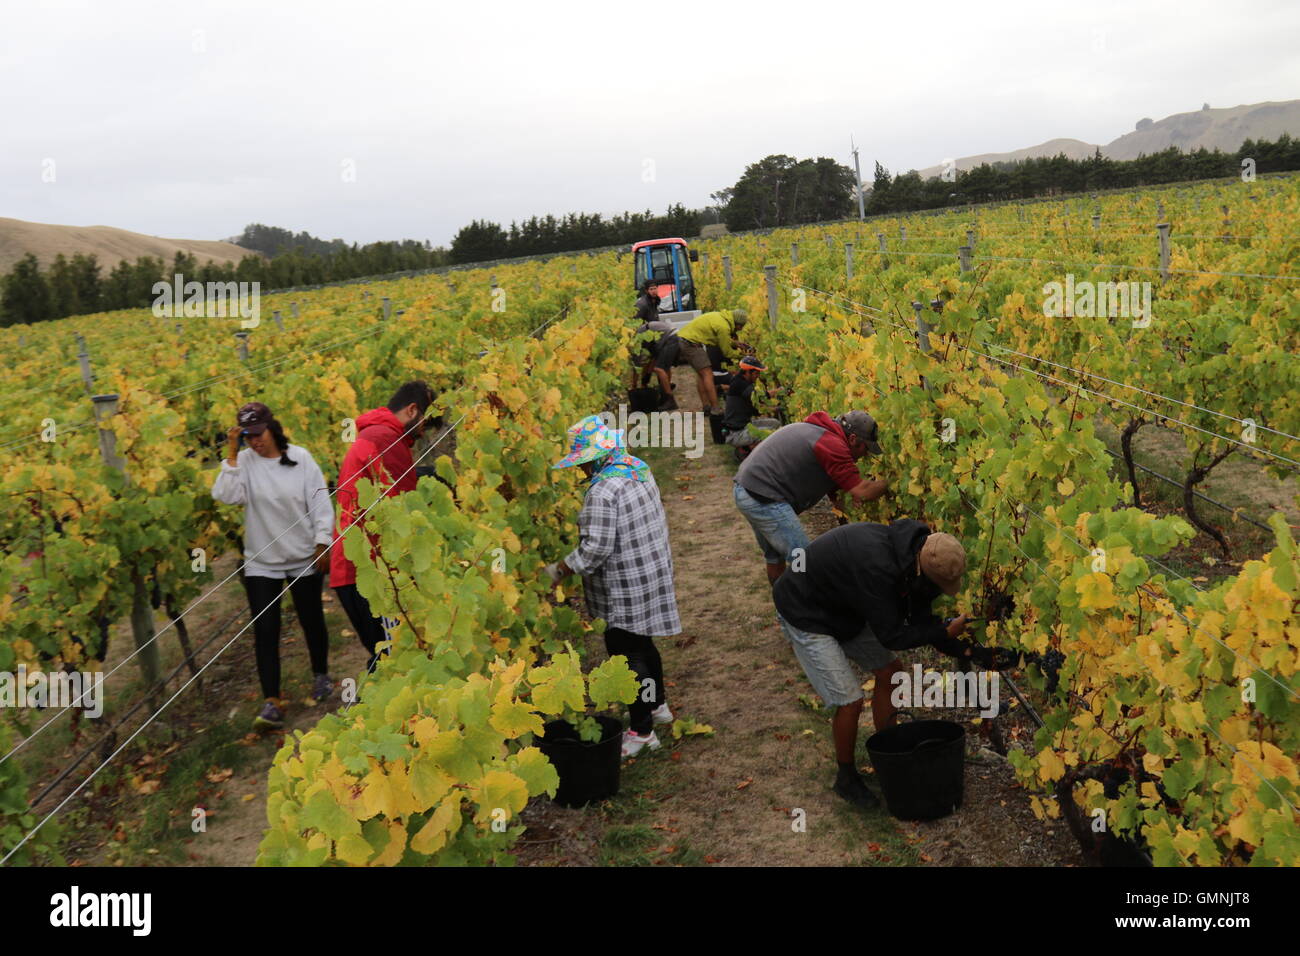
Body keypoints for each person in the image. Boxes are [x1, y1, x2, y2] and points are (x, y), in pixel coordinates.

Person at [772, 520, 969, 809]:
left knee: (891, 672)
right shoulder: (877, 567)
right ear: (923, 570)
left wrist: (962, 645)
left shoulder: (915, 552)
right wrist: (942, 632)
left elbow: (919, 618)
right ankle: (846, 777)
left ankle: (888, 750)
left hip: (845, 607)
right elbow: (892, 635)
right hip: (805, 610)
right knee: (850, 700)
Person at [545, 415, 681, 759]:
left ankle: (641, 732)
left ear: (593, 458)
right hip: (650, 568)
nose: (581, 471)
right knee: (644, 642)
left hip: (624, 582)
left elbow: (594, 551)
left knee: (626, 654)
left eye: (583, 463)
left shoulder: (603, 491)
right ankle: (657, 706)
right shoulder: (636, 467)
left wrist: (559, 569)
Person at [211, 402, 335, 731]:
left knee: (311, 619)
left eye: (259, 434)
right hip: (261, 560)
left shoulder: (302, 459)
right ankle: (272, 702)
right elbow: (225, 495)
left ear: (272, 428)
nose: (255, 441)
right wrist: (233, 456)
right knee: (266, 631)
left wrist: (323, 540)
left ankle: (321, 675)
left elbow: (321, 501)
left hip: (301, 556)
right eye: (248, 436)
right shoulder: (245, 463)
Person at [330, 381, 440, 672]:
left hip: (361, 567)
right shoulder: (386, 439)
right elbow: (404, 512)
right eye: (424, 425)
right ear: (412, 410)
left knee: (387, 660)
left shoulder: (377, 434)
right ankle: (363, 716)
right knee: (394, 663)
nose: (421, 435)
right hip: (369, 571)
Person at [734, 410, 889, 586]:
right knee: (803, 561)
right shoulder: (833, 445)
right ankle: (804, 609)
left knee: (775, 557)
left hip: (747, 488)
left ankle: (784, 609)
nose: (866, 455)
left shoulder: (821, 433)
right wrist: (891, 483)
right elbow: (863, 491)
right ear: (853, 439)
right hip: (764, 497)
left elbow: (836, 495)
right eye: (865, 448)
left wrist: (846, 530)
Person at [674, 308, 747, 414]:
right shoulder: (723, 327)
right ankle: (715, 408)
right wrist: (744, 356)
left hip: (685, 339)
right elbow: (727, 352)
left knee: (701, 374)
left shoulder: (722, 317)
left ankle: (706, 406)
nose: (740, 330)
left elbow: (719, 339)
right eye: (741, 327)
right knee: (707, 374)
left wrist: (735, 343)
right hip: (690, 343)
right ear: (738, 324)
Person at [720, 355, 766, 449]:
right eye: (756, 373)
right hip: (737, 433)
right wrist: (779, 393)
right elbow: (761, 398)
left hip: (744, 425)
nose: (758, 376)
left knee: (775, 423)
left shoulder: (739, 380)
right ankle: (750, 452)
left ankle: (747, 447)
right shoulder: (742, 386)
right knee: (770, 433)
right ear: (748, 372)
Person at [631, 319, 677, 408]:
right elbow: (652, 359)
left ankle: (670, 400)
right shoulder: (645, 334)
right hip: (674, 336)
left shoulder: (637, 340)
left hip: (670, 339)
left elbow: (637, 366)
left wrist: (634, 385)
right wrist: (646, 378)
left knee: (659, 369)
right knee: (664, 367)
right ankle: (664, 394)